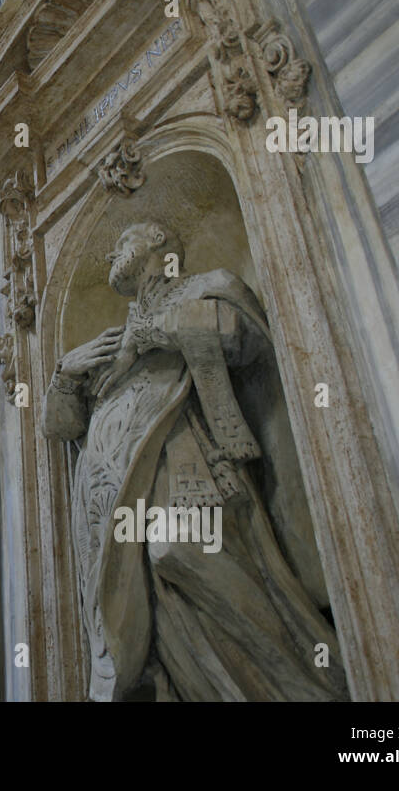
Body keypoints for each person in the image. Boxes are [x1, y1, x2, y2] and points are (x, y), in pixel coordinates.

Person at [43, 221, 347, 701]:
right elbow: (61, 429)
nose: (110, 256)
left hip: (190, 469)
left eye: (123, 242)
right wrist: (65, 372)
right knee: (157, 621)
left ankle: (309, 686)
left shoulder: (207, 289)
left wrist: (148, 331)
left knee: (177, 550)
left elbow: (235, 333)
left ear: (159, 240)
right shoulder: (108, 341)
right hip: (116, 508)